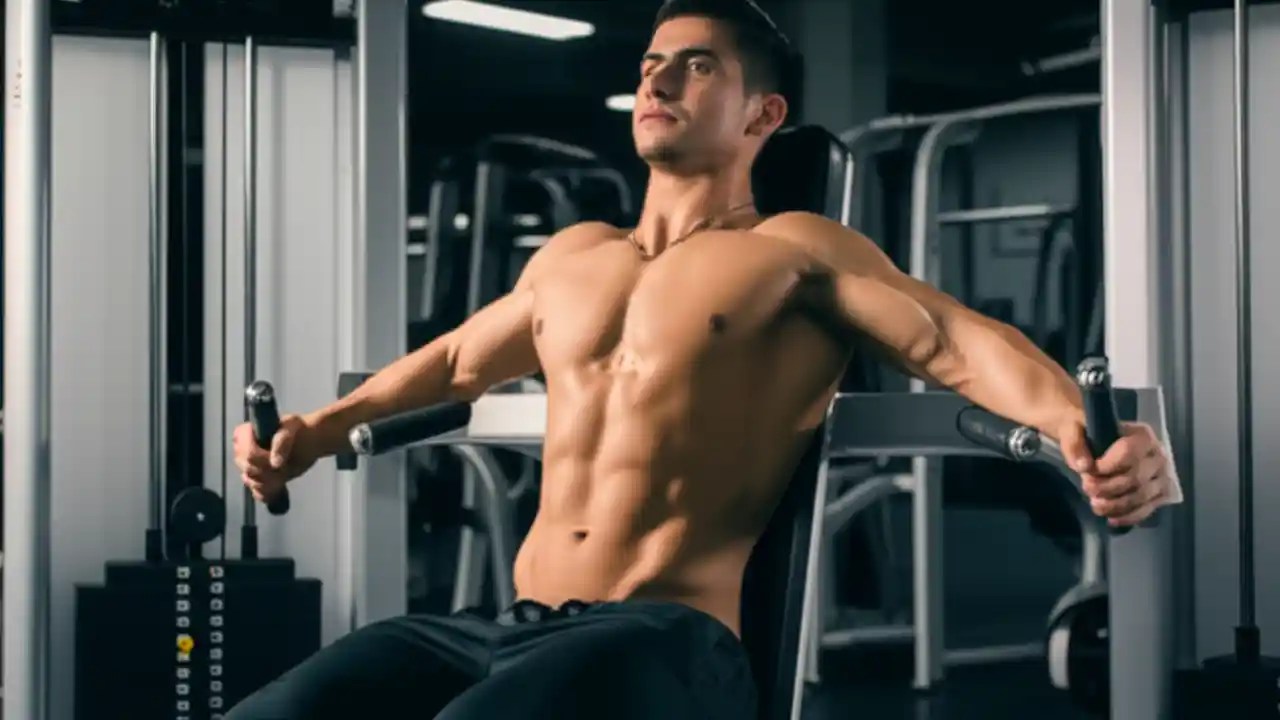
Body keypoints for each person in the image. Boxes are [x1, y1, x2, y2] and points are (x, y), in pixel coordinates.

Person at [227, 1, 1178, 717]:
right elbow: (453, 363)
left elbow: (956, 340)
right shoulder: (572, 257)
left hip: (663, 639)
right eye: (650, 65)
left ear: (763, 114)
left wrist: (1071, 427)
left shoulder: (795, 249)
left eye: (693, 68)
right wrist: (316, 432)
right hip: (500, 626)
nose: (656, 83)